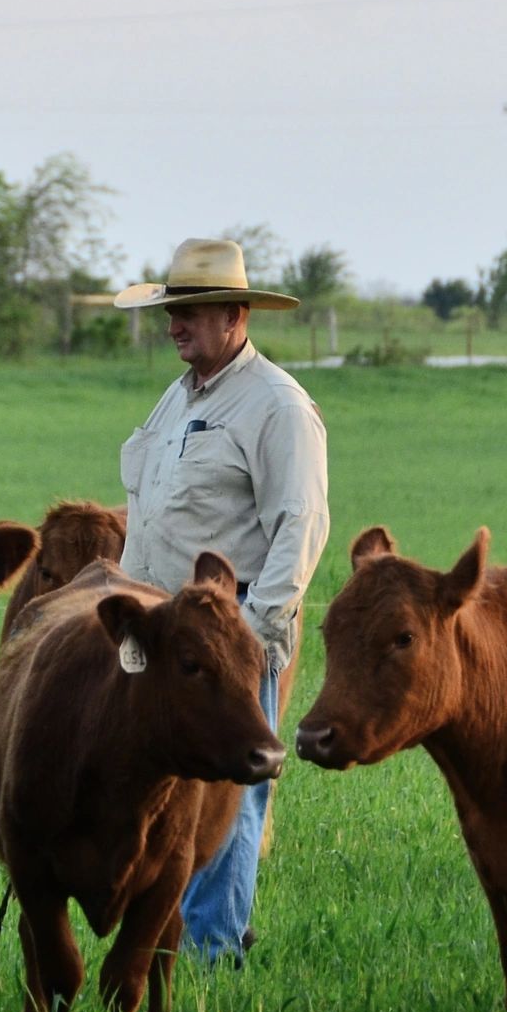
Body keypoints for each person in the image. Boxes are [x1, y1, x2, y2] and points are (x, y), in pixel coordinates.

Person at [114, 237, 330, 960]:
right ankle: (163, 934)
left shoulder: (277, 405)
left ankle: (212, 951)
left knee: (232, 790)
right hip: (159, 624)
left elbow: (299, 523)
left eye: (194, 312)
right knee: (158, 785)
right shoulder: (179, 397)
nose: (176, 325)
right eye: (173, 311)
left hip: (229, 629)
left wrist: (256, 630)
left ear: (237, 314)